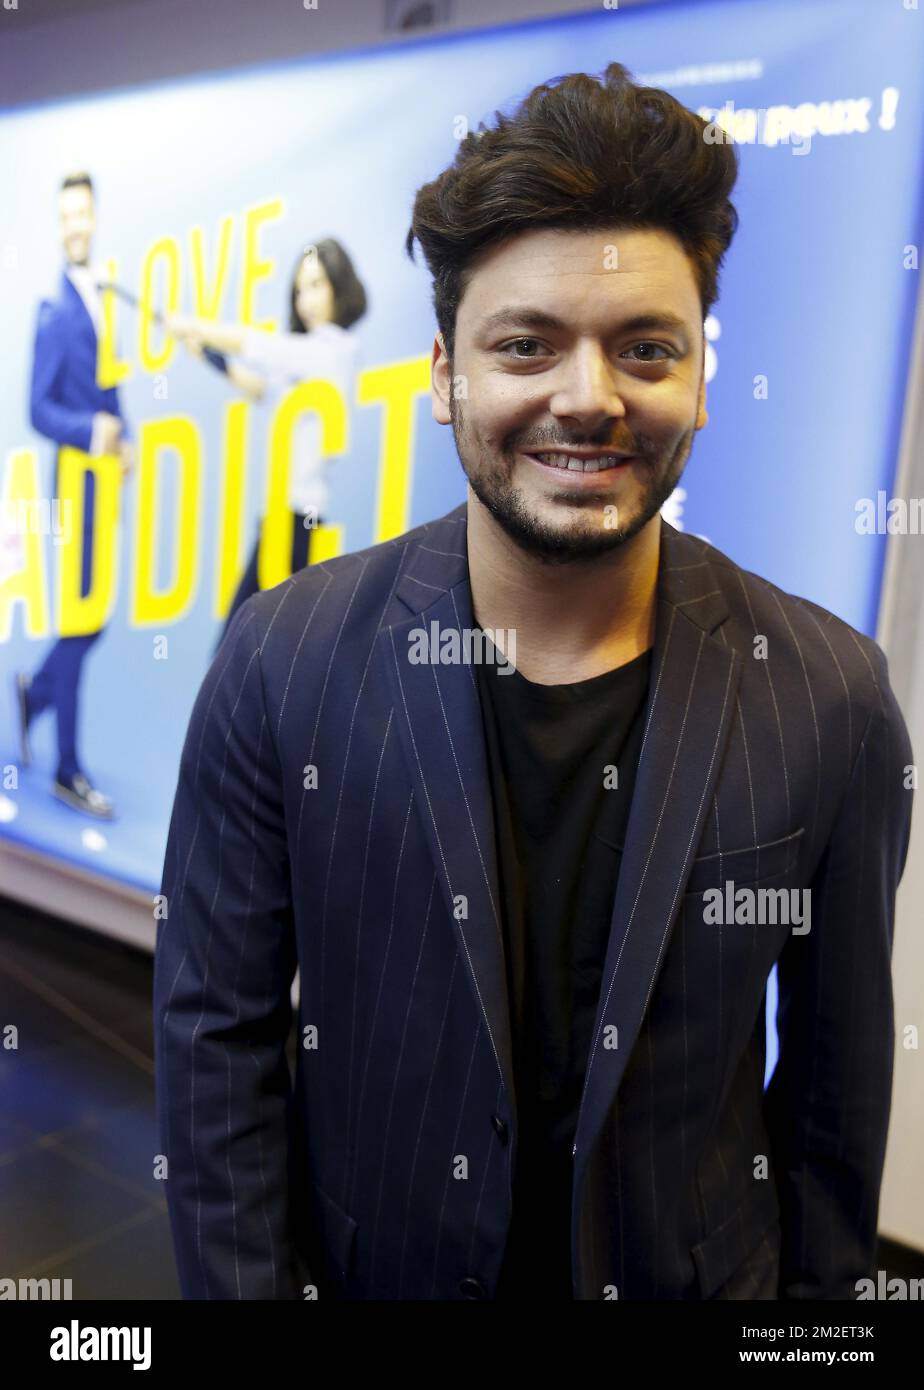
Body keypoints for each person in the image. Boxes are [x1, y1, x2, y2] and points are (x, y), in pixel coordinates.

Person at [153, 63, 914, 1300]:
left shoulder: (829, 695)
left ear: (702, 377)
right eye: (527, 345)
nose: (587, 396)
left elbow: (835, 1102)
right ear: (445, 374)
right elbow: (213, 1043)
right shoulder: (282, 660)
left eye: (645, 348)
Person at [167, 239, 366, 653]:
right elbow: (259, 387)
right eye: (299, 290)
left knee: (237, 653)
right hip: (281, 522)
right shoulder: (306, 361)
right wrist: (208, 355)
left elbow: (261, 348)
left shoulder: (334, 351)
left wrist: (194, 326)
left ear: (338, 286)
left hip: (297, 526)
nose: (306, 299)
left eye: (316, 285)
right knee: (258, 657)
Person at [13, 172, 133, 819]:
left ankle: (35, 692)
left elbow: (107, 388)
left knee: (94, 616)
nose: (75, 225)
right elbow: (38, 407)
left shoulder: (101, 301)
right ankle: (66, 769)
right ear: (59, 225)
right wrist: (93, 432)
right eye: (66, 217)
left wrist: (128, 437)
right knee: (81, 619)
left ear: (94, 217)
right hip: (75, 489)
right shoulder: (55, 312)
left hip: (103, 486)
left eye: (82, 213)